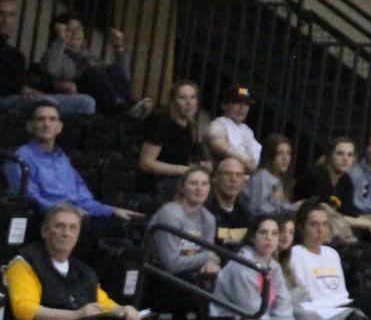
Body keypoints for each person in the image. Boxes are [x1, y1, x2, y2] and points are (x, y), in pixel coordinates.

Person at [8, 101, 143, 224]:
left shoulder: (62, 158)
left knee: (127, 221)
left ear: (59, 127)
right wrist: (69, 213)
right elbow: (32, 200)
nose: (47, 124)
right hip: (48, 221)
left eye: (52, 119)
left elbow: (84, 200)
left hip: (76, 217)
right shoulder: (19, 158)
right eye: (41, 119)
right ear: (30, 126)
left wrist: (112, 210)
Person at [3, 202, 142, 320]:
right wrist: (75, 315)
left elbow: (104, 304)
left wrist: (123, 310)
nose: (66, 233)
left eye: (73, 228)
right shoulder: (24, 263)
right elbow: (24, 309)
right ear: (44, 231)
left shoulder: (84, 271)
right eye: (59, 226)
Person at [0, 0, 92, 120]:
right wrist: (19, 87)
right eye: (1, 14)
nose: (6, 20)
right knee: (46, 102)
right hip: (5, 98)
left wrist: (56, 86)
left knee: (86, 101)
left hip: (20, 97)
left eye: (11, 15)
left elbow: (27, 79)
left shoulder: (16, 55)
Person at [38, 17, 143, 118]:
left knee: (113, 69)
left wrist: (118, 47)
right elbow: (51, 70)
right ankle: (121, 107)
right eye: (70, 30)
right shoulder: (54, 53)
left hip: (102, 99)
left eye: (79, 29)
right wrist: (60, 40)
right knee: (93, 72)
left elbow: (124, 77)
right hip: (77, 93)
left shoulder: (90, 57)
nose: (76, 32)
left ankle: (130, 105)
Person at [294, 139, 371, 244]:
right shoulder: (317, 174)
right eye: (340, 154)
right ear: (330, 156)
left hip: (330, 224)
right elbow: (327, 213)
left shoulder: (346, 180)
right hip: (303, 223)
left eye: (350, 155)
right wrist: (367, 224)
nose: (345, 159)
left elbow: (349, 213)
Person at [147, 166, 222, 287]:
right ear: (182, 187)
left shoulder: (209, 218)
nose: (199, 188)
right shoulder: (170, 215)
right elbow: (171, 264)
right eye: (193, 183)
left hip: (191, 275)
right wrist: (209, 257)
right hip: (159, 278)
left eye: (204, 184)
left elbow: (208, 254)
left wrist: (210, 263)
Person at [288, 203, 363, 320]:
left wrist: (345, 304)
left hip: (344, 306)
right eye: (314, 225)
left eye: (325, 224)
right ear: (301, 227)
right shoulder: (295, 254)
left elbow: (341, 293)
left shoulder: (332, 253)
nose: (320, 230)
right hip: (321, 311)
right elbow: (306, 298)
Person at [213, 215, 293, 320]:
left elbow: (284, 305)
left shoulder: (274, 266)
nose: (269, 238)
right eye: (263, 232)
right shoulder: (241, 265)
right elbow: (253, 313)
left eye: (274, 233)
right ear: (252, 237)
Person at [140, 81, 211, 198]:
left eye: (193, 97)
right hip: (160, 182)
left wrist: (204, 165)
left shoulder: (191, 126)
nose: (189, 103)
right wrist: (186, 170)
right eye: (183, 98)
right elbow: (146, 163)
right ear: (173, 102)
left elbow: (193, 158)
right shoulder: (161, 122)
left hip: (183, 179)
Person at [206, 87, 262, 169]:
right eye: (237, 102)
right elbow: (220, 147)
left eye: (246, 104)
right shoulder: (218, 124)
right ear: (224, 105)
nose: (242, 107)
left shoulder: (247, 130)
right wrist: (247, 162)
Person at [247, 136, 298, 221]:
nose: (285, 158)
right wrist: (291, 208)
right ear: (270, 156)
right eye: (280, 153)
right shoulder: (261, 177)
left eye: (288, 153)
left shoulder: (280, 179)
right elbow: (258, 209)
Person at [211, 157, 254, 250]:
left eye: (238, 175)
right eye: (227, 174)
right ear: (215, 178)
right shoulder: (205, 210)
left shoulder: (246, 215)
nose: (233, 179)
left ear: (244, 181)